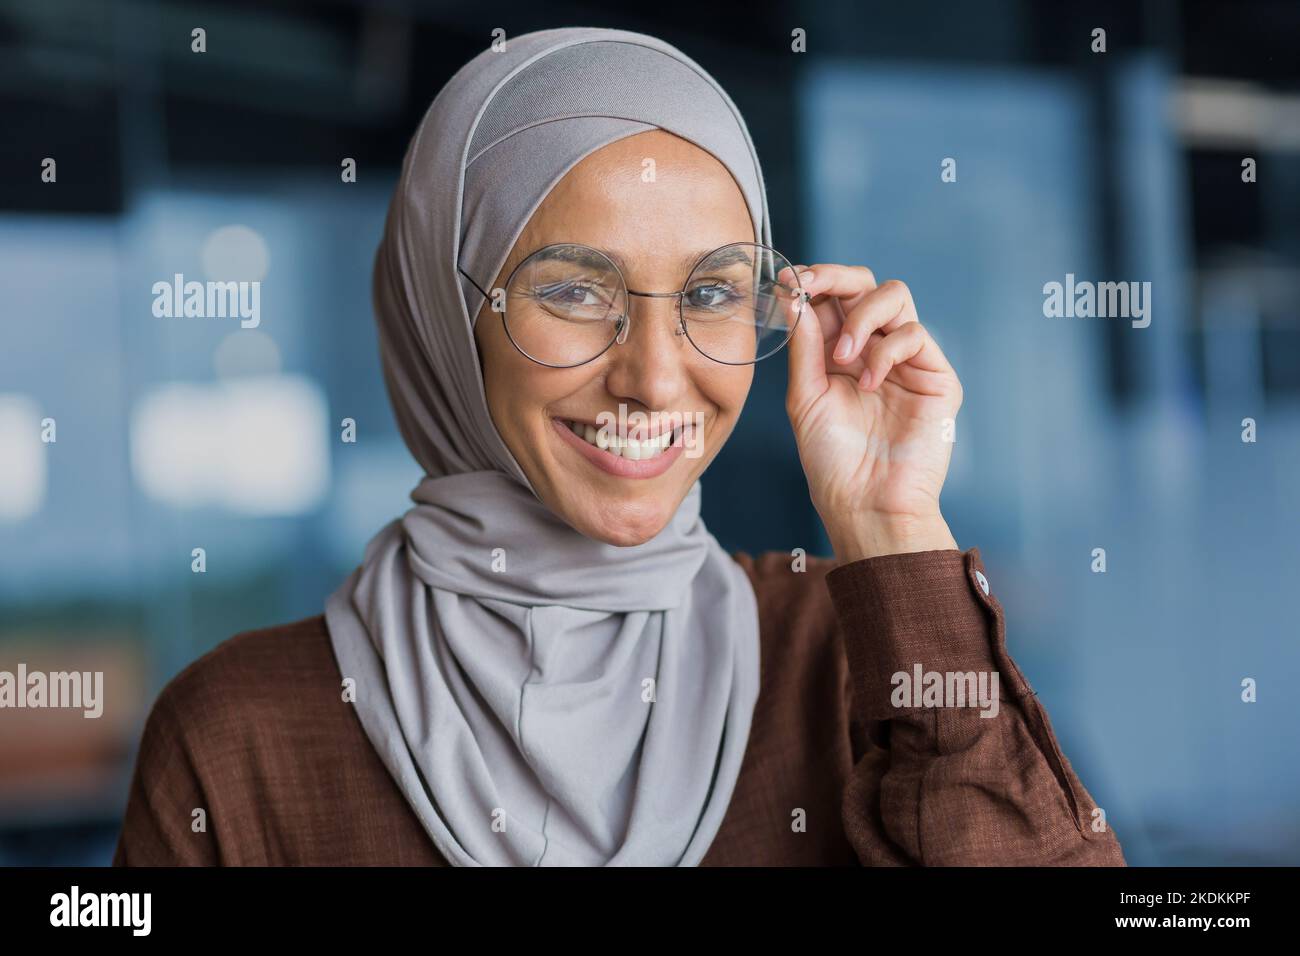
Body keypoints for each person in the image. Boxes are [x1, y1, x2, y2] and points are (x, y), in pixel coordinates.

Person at [113, 26, 1124, 867]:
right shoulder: (241, 741)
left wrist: (894, 526)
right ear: (442, 315)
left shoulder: (853, 655)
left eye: (713, 292)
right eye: (572, 289)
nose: (652, 372)